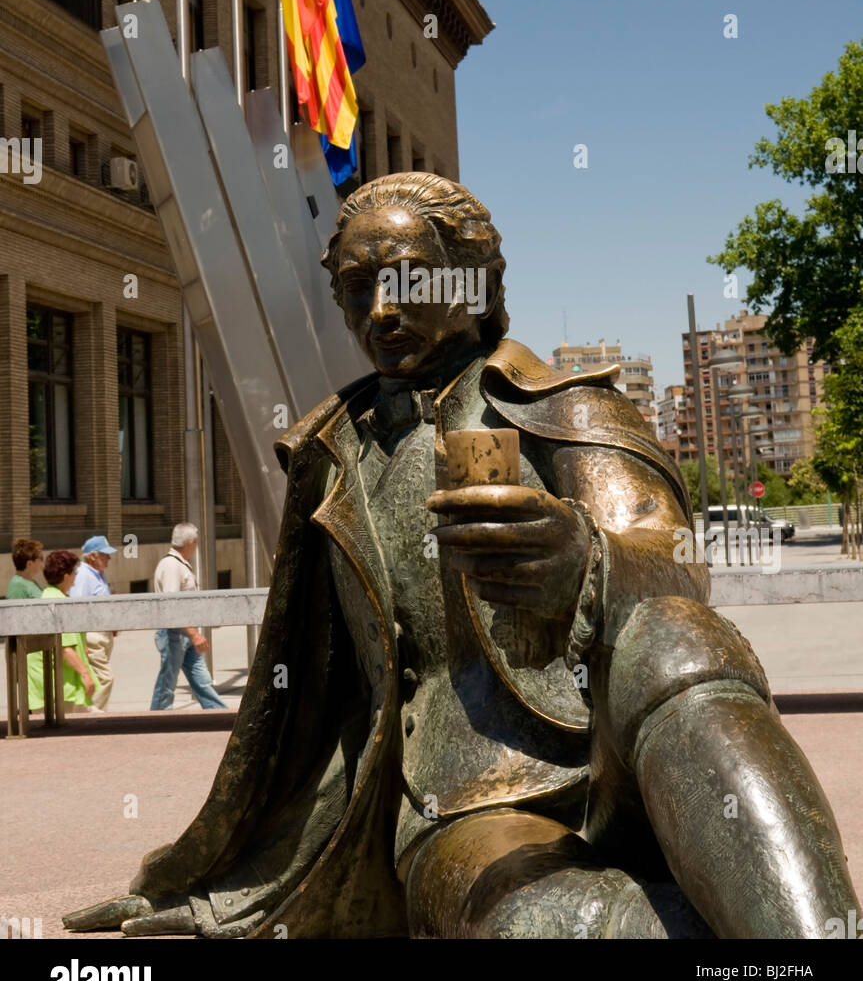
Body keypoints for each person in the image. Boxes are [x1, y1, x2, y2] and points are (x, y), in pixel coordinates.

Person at [66, 174, 861, 940]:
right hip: (466, 799)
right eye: (355, 286)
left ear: (474, 282)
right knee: (531, 914)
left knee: (674, 632)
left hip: (620, 748)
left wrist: (581, 560)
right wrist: (211, 876)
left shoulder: (563, 406)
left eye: (409, 280)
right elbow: (297, 708)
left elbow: (670, 555)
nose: (379, 310)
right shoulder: (328, 454)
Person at [149, 524, 226, 712]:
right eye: (196, 542)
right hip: (174, 634)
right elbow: (172, 605)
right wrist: (194, 634)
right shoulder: (171, 565)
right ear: (190, 543)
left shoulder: (178, 564)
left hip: (185, 633)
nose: (196, 546)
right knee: (167, 683)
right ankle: (157, 718)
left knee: (202, 681)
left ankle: (218, 712)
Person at [27, 550, 98, 712]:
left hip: (52, 684)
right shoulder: (58, 603)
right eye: (74, 572)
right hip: (57, 686)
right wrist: (85, 674)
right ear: (66, 576)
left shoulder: (49, 595)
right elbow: (65, 648)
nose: (75, 577)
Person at [68, 534, 117, 711]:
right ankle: (91, 715)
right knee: (105, 678)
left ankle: (87, 712)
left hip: (102, 636)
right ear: (93, 556)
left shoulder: (98, 574)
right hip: (92, 636)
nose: (109, 558)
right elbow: (77, 607)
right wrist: (81, 640)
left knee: (96, 679)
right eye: (105, 554)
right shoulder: (83, 575)